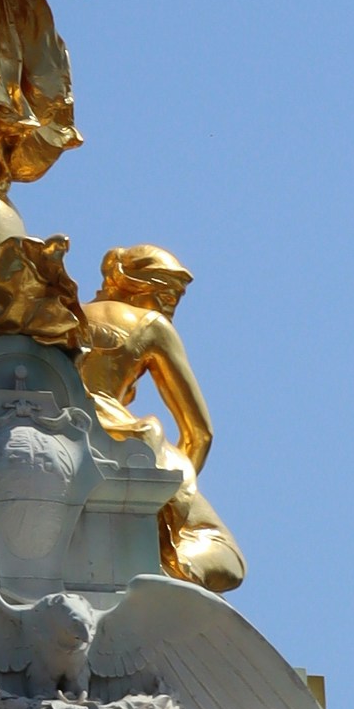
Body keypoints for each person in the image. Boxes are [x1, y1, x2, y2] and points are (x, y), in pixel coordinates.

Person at [76, 251, 245, 593]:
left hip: (58, 419)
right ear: (138, 287)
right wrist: (179, 495)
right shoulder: (151, 325)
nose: (170, 309)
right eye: (168, 297)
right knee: (226, 555)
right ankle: (170, 572)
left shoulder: (68, 314)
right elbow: (199, 431)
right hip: (122, 434)